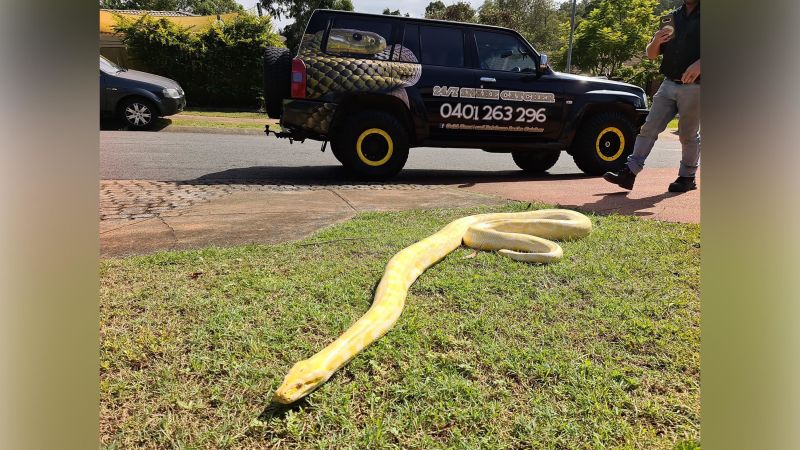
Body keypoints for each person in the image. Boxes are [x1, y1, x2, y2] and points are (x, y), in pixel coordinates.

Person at [604, 0, 700, 192]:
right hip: (668, 83)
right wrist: (655, 41)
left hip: (696, 86)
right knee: (648, 128)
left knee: (687, 135)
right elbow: (651, 54)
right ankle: (629, 172)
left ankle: (687, 177)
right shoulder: (672, 17)